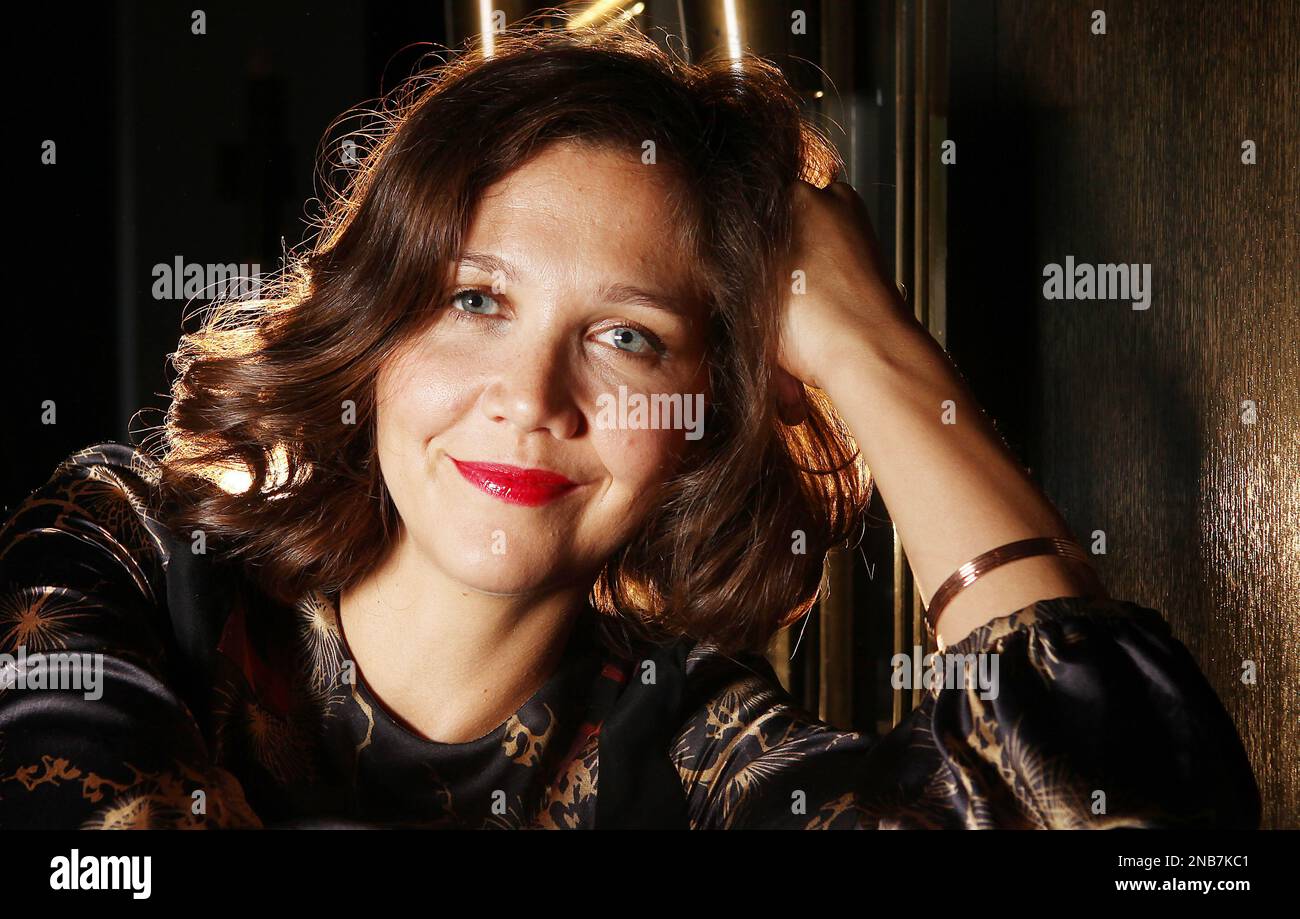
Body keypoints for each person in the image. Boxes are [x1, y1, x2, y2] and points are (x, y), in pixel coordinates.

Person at [0, 25, 1258, 829]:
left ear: (703, 422)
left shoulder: (697, 748)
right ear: (375, 331)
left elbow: (1141, 828)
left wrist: (866, 347)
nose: (533, 399)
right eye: (476, 299)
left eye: (628, 336)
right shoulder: (127, 554)